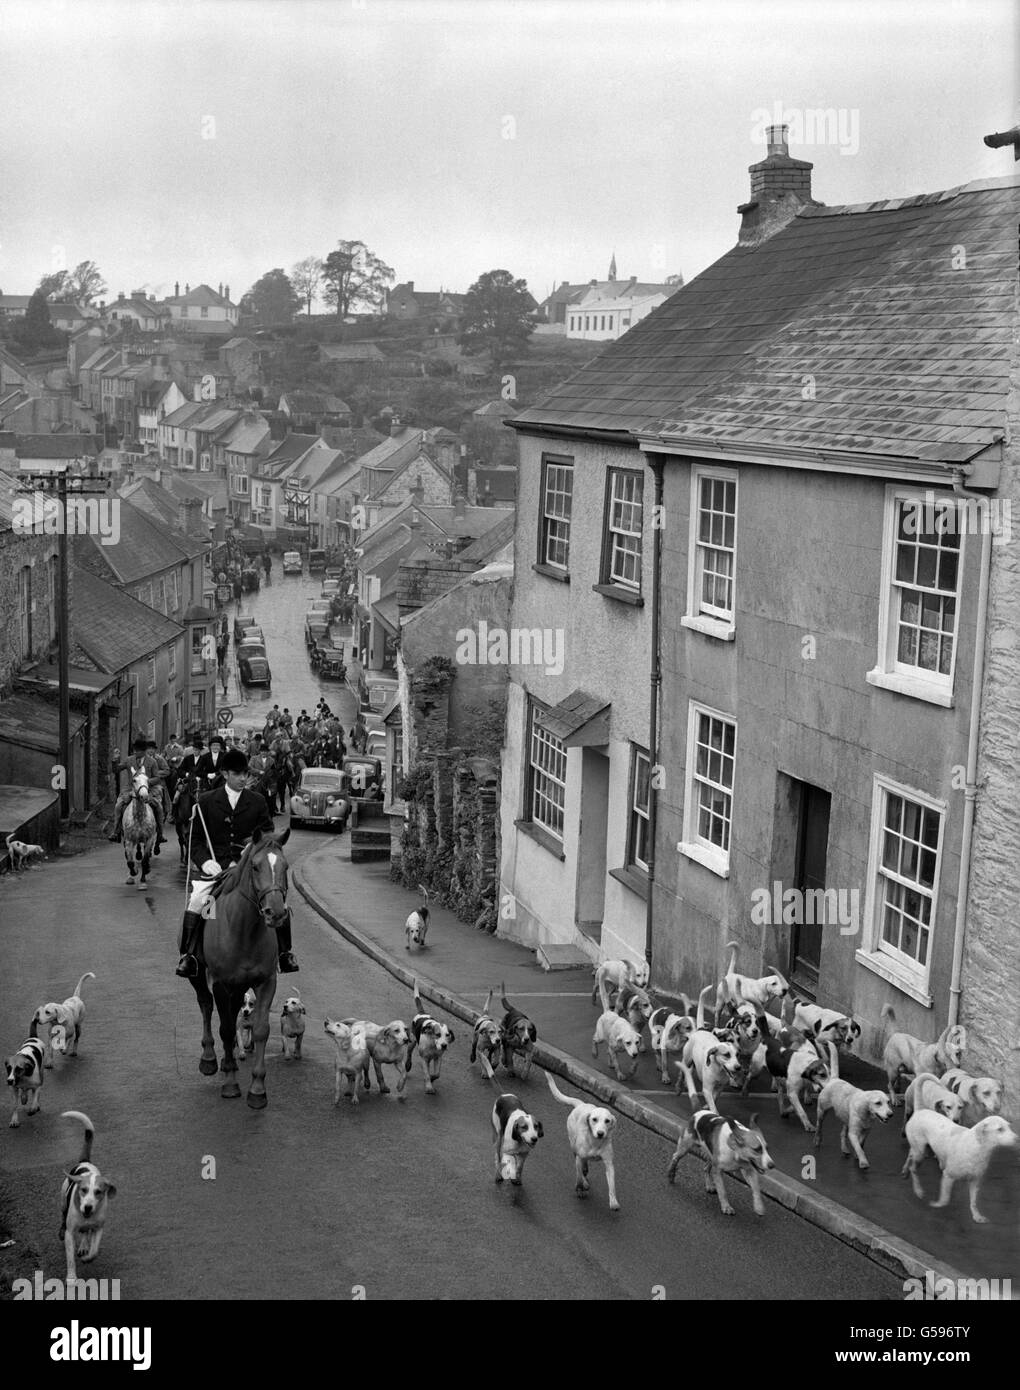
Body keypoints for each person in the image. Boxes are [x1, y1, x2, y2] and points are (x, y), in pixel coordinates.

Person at [175, 747, 299, 978]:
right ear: (225, 774)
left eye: (246, 774)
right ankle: (190, 955)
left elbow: (269, 838)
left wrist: (251, 853)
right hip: (216, 871)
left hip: (249, 870)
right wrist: (205, 863)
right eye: (238, 774)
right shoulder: (207, 801)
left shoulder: (258, 801)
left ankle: (284, 953)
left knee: (277, 900)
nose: (243, 779)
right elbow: (197, 841)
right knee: (199, 901)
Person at [108, 738, 167, 851]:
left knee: (158, 806)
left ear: (144, 751)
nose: (135, 752)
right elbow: (116, 770)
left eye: (137, 751)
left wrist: (144, 782)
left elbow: (157, 778)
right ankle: (116, 832)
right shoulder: (129, 760)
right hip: (130, 789)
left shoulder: (152, 762)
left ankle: (160, 833)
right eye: (134, 750)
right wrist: (115, 760)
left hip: (147, 789)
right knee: (118, 806)